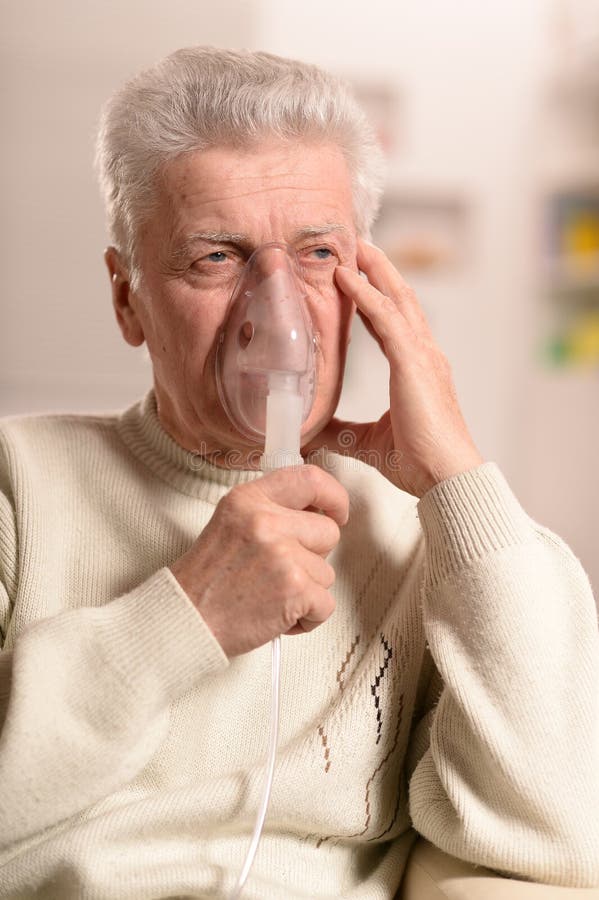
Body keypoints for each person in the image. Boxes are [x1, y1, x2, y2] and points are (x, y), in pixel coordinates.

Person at [0, 46, 597, 900]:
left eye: (318, 255)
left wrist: (457, 481)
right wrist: (187, 615)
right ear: (127, 297)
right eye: (216, 257)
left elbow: (554, 837)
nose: (275, 314)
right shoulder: (19, 489)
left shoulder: (423, 540)